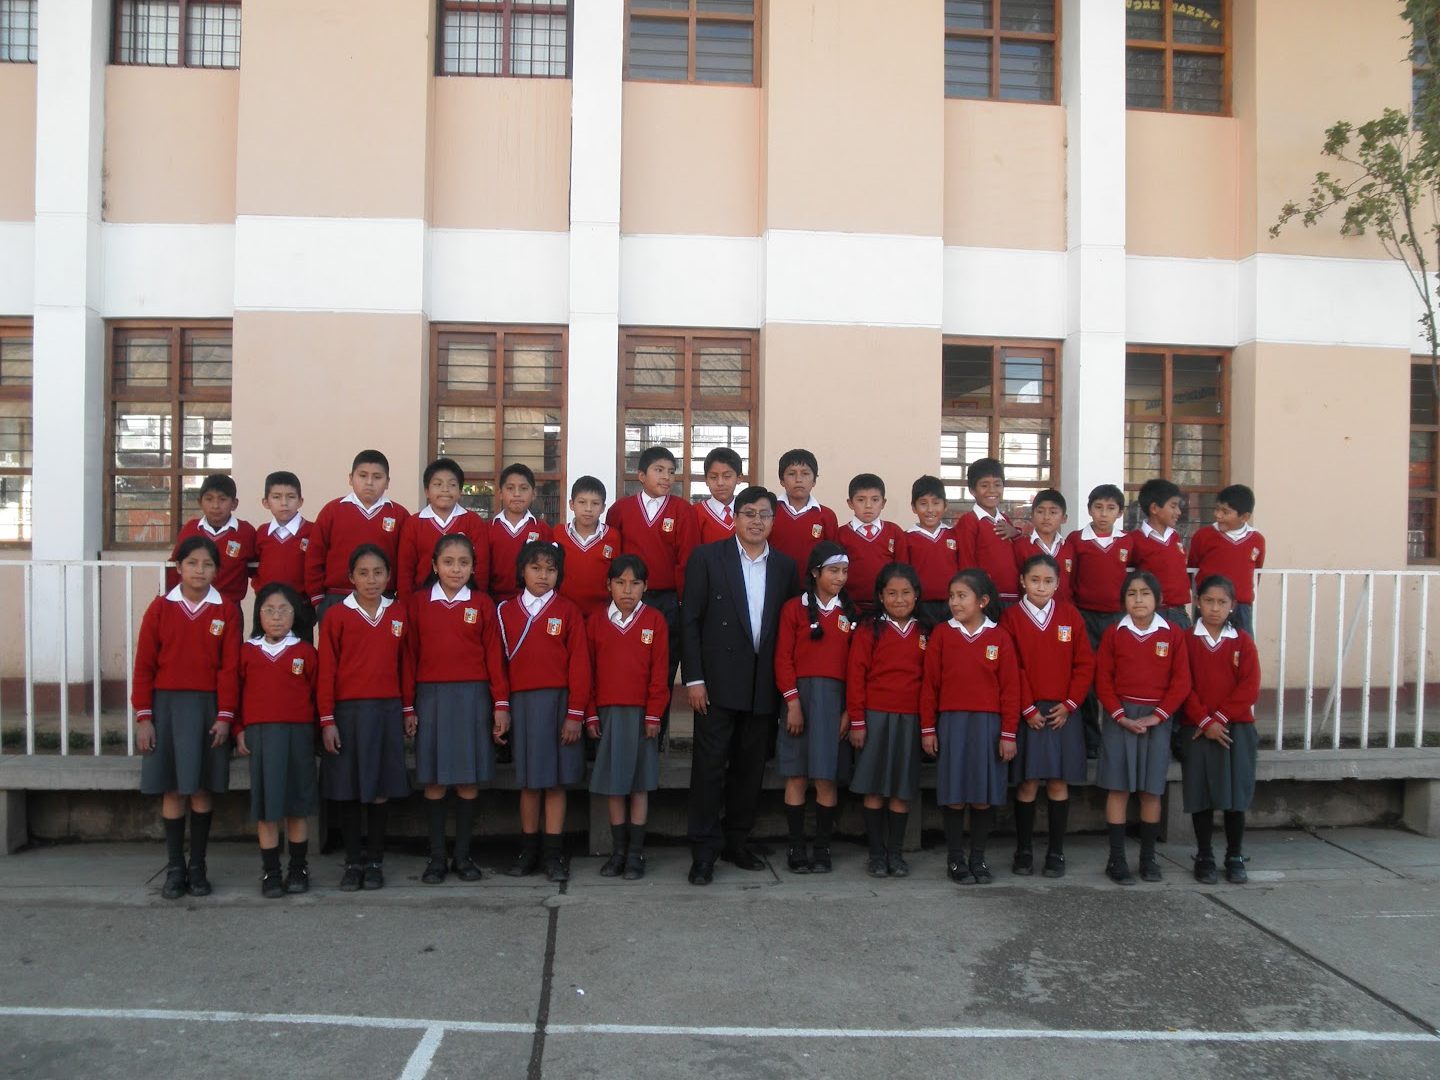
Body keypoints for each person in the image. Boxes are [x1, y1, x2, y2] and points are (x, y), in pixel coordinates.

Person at [683, 485, 798, 885]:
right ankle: (703, 851)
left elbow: (790, 630)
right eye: (748, 513)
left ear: (773, 520)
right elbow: (691, 621)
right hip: (714, 686)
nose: (756, 521)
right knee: (709, 769)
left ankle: (737, 841)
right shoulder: (707, 557)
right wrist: (693, 678)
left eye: (764, 514)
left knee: (750, 771)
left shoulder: (785, 567)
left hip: (761, 686)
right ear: (734, 517)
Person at [134, 535, 241, 900]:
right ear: (178, 567)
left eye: (208, 564)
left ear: (216, 570)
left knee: (200, 787)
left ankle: (198, 866)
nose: (200, 570)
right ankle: (174, 867)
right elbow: (144, 666)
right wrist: (144, 717)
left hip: (207, 709)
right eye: (192, 563)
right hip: (166, 708)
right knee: (173, 788)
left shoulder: (225, 610)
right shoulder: (161, 608)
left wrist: (225, 715)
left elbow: (229, 668)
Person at [405, 534, 509, 885]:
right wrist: (409, 706)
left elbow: (494, 657)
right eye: (448, 562)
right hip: (431, 699)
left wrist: (500, 704)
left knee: (466, 781)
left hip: (472, 699)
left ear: (473, 567)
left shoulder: (482, 604)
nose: (456, 569)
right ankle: (436, 858)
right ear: (434, 565)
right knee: (434, 781)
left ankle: (463, 857)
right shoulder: (418, 604)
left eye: (463, 563)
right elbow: (409, 657)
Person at [317, 544, 411, 892]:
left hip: (386, 711)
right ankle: (353, 861)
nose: (371, 580)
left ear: (388, 576)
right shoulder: (337, 616)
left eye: (378, 573)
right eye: (363, 573)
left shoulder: (398, 614)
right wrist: (327, 719)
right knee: (350, 787)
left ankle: (375, 860)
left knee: (379, 788)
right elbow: (326, 670)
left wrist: (408, 709)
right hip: (348, 712)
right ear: (351, 577)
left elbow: (406, 665)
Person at [497, 541, 592, 883]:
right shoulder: (504, 611)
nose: (543, 575)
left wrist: (575, 713)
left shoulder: (567, 611)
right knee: (530, 783)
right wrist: (502, 707)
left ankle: (554, 853)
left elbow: (580, 665)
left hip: (558, 705)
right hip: (522, 706)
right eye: (536, 568)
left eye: (551, 569)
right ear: (522, 570)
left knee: (555, 783)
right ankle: (528, 850)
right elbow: (497, 666)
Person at [923, 568, 1020, 885]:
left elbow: (1010, 689)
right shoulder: (942, 635)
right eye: (951, 596)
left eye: (961, 596)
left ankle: (978, 858)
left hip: (988, 726)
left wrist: (1008, 733)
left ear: (983, 601)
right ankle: (955, 860)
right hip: (952, 723)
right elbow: (929, 686)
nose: (954, 602)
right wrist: (928, 728)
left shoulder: (999, 637)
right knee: (954, 792)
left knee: (982, 794)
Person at [1000, 554, 1095, 879]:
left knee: (1057, 782)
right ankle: (1024, 851)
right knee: (1027, 783)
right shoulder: (1011, 618)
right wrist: (1026, 707)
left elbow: (1084, 664)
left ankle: (1056, 851)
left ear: (1058, 583)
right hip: (1027, 712)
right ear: (1023, 582)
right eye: (1035, 580)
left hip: (1061, 713)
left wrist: (1070, 703)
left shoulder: (1070, 616)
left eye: (1049, 581)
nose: (1042, 586)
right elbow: (1010, 667)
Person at [1095, 570, 1191, 885]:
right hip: (1120, 718)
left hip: (1156, 721)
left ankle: (1148, 859)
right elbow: (1103, 679)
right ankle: (1116, 858)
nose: (1138, 599)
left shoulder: (1173, 634)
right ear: (1123, 600)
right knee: (1119, 788)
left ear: (1159, 600)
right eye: (1132, 593)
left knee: (1151, 790)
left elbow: (1181, 681)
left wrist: (1158, 715)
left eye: (1145, 593)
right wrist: (1119, 714)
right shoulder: (1113, 633)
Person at [605, 446, 698, 748]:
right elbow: (613, 557)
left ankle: (657, 737)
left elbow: (686, 560)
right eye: (660, 470)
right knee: (629, 666)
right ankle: (620, 734)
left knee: (665, 667)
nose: (667, 477)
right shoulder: (621, 510)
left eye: (672, 472)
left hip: (669, 601)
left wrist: (685, 603)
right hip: (630, 599)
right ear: (641, 475)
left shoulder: (682, 510)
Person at [585, 555, 670, 881]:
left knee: (638, 785)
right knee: (613, 784)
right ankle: (617, 852)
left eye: (635, 583)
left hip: (641, 715)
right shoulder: (595, 622)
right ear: (608, 585)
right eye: (620, 582)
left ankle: (636, 853)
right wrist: (590, 714)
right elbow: (587, 672)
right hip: (608, 714)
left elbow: (659, 673)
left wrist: (654, 714)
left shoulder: (654, 621)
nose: (627, 590)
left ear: (645, 587)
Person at [774, 541, 858, 873]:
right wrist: (792, 702)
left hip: (834, 703)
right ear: (815, 572)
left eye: (845, 571)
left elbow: (856, 667)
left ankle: (822, 848)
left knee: (826, 779)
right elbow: (782, 659)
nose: (840, 578)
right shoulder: (793, 609)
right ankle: (796, 847)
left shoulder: (850, 615)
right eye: (833, 570)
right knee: (796, 776)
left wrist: (850, 711)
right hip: (800, 700)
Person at [235, 583, 318, 898]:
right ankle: (271, 872)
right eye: (269, 610)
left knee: (297, 807)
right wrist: (239, 728)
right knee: (268, 808)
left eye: (284, 609)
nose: (277, 616)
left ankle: (298, 868)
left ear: (295, 614)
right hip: (262, 736)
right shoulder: (248, 651)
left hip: (298, 735)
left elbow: (316, 693)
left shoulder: (306, 652)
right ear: (258, 614)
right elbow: (236, 693)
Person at [848, 562, 928, 878]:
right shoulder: (870, 629)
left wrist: (928, 724)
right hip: (875, 718)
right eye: (891, 593)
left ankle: (896, 853)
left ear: (916, 595)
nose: (899, 599)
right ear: (880, 596)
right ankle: (876, 854)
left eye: (905, 593)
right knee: (874, 787)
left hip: (910, 720)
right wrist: (857, 720)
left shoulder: (925, 631)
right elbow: (856, 676)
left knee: (900, 788)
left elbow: (931, 681)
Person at [1181, 575, 1261, 885]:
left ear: (1233, 606)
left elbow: (1249, 687)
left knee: (1234, 794)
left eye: (1222, 602)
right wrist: (1204, 721)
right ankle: (1204, 854)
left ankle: (1234, 854)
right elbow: (1183, 685)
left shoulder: (1242, 641)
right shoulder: (1186, 640)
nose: (1215, 608)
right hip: (1198, 729)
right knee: (1201, 792)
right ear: (1197, 602)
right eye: (1209, 601)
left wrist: (1220, 719)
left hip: (1235, 728)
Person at [1061, 484, 1132, 755]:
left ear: (1120, 513)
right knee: (1087, 677)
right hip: (1085, 616)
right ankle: (1090, 738)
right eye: (1098, 507)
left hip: (1117, 617)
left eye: (1110, 508)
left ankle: (1118, 735)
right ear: (1089, 509)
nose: (1103, 514)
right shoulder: (1076, 541)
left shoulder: (1127, 541)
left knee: (1117, 675)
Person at [305, 450, 409, 621]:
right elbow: (314, 555)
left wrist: (401, 600)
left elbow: (405, 563)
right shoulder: (332, 511)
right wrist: (317, 599)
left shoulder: (399, 515)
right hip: (337, 597)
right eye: (362, 476)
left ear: (387, 482)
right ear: (350, 478)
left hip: (383, 599)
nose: (369, 483)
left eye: (377, 477)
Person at [394, 458, 489, 607]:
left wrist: (477, 599)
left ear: (460, 491)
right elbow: (405, 570)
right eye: (438, 484)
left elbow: (481, 565)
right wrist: (408, 605)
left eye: (452, 485)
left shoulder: (472, 521)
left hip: (465, 600)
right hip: (423, 601)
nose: (445, 489)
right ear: (426, 491)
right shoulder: (413, 523)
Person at [166, 474, 256, 607]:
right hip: (191, 604)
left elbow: (256, 568)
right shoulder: (190, 529)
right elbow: (174, 566)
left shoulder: (246, 532)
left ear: (234, 504)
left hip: (229, 606)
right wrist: (165, 599)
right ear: (200, 502)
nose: (215, 506)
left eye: (222, 499)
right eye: (209, 499)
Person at [1187, 484, 1265, 636]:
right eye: (1217, 509)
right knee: (1203, 649)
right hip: (1208, 605)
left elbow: (1256, 573)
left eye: (1225, 512)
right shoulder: (1203, 536)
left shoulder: (1257, 540)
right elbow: (1192, 568)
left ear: (1244, 517)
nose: (1218, 515)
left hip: (1241, 607)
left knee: (1241, 651)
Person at [951, 458, 1022, 607]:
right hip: (986, 598)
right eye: (984, 485)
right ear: (972, 490)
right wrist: (975, 594)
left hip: (1012, 596)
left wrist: (1016, 533)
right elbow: (966, 561)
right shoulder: (970, 521)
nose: (992, 491)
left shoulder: (1005, 520)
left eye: (997, 485)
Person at [836, 473, 909, 614]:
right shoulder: (841, 535)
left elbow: (902, 571)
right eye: (861, 500)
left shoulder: (894, 532)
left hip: (887, 607)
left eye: (875, 500)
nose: (868, 506)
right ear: (850, 503)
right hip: (850, 606)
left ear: (883, 503)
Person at [768, 448, 838, 580]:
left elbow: (832, 557)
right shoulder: (769, 511)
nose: (798, 479)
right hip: (774, 583)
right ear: (782, 480)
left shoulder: (826, 516)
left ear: (814, 481)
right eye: (791, 474)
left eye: (805, 474)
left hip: (813, 586)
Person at [488, 463, 554, 604]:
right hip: (495, 601)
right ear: (500, 493)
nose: (517, 494)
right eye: (510, 488)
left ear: (533, 494)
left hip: (534, 602)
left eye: (523, 488)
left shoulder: (543, 529)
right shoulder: (488, 529)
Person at [1131, 477, 1192, 629]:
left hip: (1179, 613)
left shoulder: (1175, 537)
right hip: (1152, 615)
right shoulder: (1135, 540)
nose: (1178, 512)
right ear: (1154, 509)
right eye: (1173, 506)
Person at [557, 475, 619, 618]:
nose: (588, 509)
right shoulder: (558, 534)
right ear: (572, 504)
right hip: (564, 611)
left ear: (603, 507)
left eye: (595, 503)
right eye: (582, 502)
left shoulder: (613, 537)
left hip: (602, 612)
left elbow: (617, 575)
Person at [905, 474, 958, 626]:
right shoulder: (907, 538)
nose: (930, 510)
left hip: (952, 604)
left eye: (936, 503)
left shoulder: (954, 535)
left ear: (945, 505)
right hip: (921, 605)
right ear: (914, 507)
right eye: (923, 504)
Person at [253, 470, 313, 598]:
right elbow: (253, 568)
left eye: (291, 497)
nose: (284, 503)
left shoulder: (313, 531)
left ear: (300, 501)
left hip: (303, 604)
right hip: (267, 602)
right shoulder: (261, 533)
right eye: (276, 497)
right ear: (265, 502)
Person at [1013, 488, 1072, 606]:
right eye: (1040, 512)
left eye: (1053, 512)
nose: (1046, 517)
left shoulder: (1069, 548)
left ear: (1064, 518)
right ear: (1032, 516)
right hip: (1029, 612)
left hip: (1063, 613)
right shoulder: (1021, 545)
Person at [693, 447, 743, 544]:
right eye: (713, 477)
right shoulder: (695, 513)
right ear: (706, 480)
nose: (720, 483)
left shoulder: (748, 513)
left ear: (739, 478)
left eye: (727, 476)